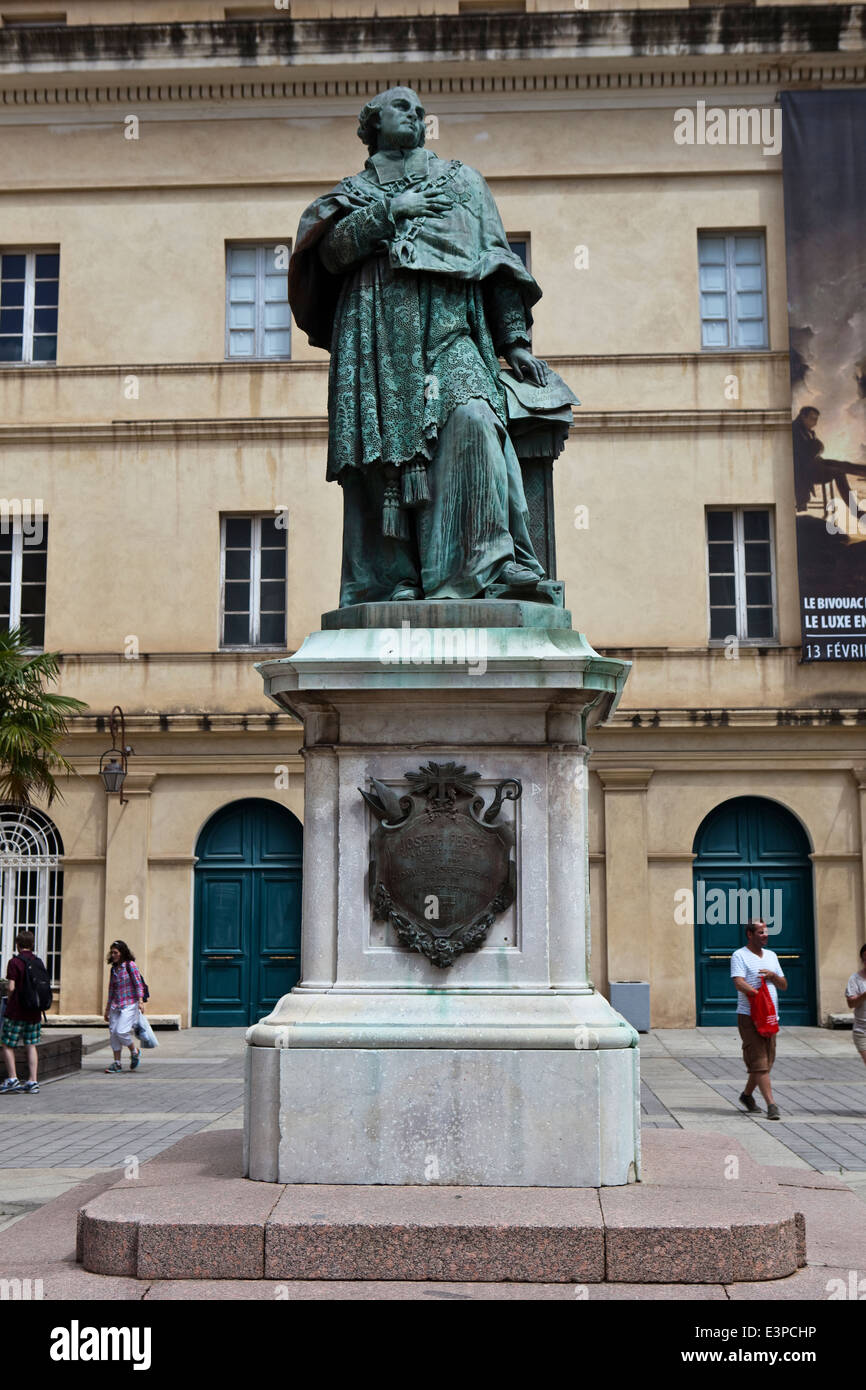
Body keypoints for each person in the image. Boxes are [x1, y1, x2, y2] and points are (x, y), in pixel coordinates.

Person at [289, 85, 553, 607]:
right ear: (372, 125)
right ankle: (395, 579)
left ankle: (487, 568)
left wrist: (514, 341)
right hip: (376, 339)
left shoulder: (463, 183)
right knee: (383, 462)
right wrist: (390, 210)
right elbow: (332, 254)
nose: (415, 112)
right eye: (400, 106)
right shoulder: (351, 192)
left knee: (476, 419)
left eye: (419, 108)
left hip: (450, 329)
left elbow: (496, 262)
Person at [731, 918, 787, 1119]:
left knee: (765, 1062)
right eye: (761, 932)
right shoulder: (740, 955)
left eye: (766, 932)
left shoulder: (771, 956)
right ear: (750, 934)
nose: (765, 936)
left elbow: (783, 984)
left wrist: (772, 976)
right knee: (760, 1063)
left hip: (770, 1018)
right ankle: (772, 1105)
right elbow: (739, 982)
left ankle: (746, 1096)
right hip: (750, 1017)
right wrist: (757, 996)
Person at [0, 930, 45, 1094]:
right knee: (31, 1045)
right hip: (34, 1011)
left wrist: (9, 999)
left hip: (16, 1011)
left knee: (7, 1044)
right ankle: (33, 1081)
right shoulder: (38, 961)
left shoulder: (15, 962)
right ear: (32, 945)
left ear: (17, 945)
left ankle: (13, 1078)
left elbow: (11, 987)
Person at [103, 940, 144, 1074]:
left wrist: (141, 1001)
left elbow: (138, 984)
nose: (113, 955)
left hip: (129, 1003)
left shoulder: (130, 965)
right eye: (112, 952)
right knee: (113, 1033)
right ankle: (117, 1063)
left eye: (116, 952)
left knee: (121, 1031)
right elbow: (111, 989)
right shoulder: (114, 969)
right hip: (116, 1004)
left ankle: (134, 1050)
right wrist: (107, 1008)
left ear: (122, 953)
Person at [845, 943, 866, 1067]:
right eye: (865, 960)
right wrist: (864, 995)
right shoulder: (855, 979)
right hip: (862, 1032)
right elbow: (851, 1003)